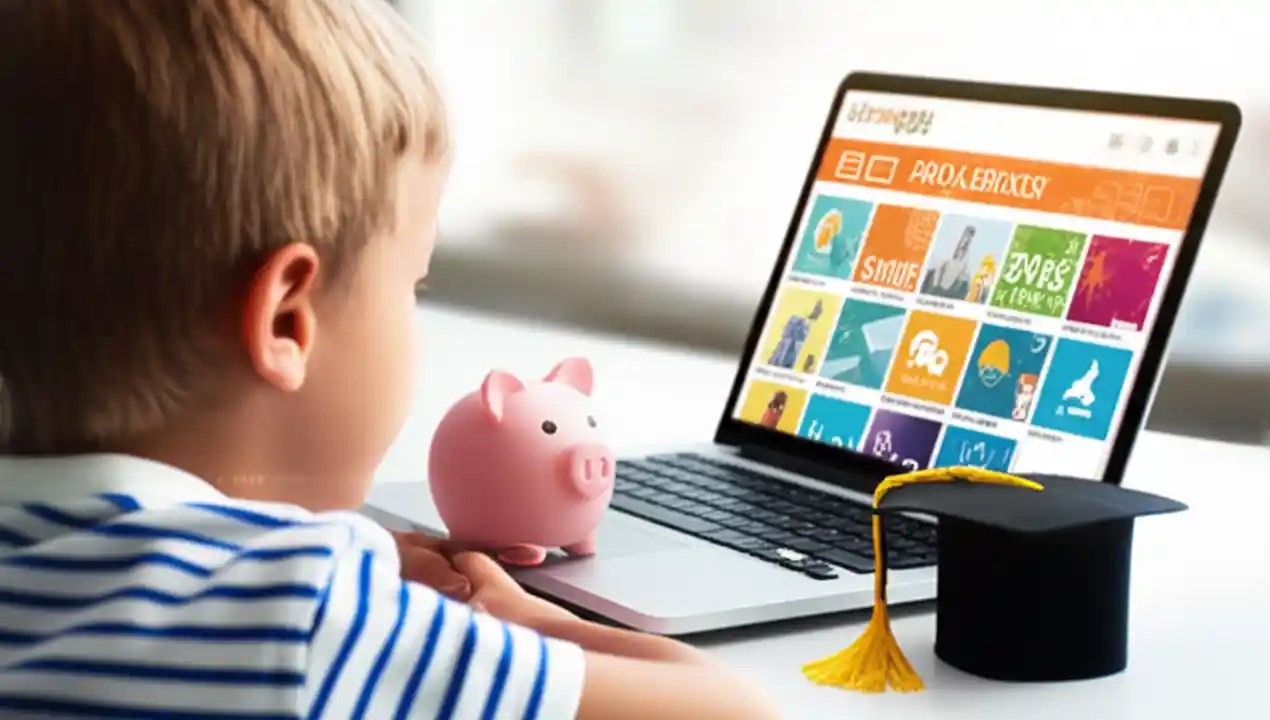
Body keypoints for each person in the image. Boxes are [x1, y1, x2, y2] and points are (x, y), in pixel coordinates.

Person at [0, 2, 780, 718]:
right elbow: (736, 712)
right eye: (415, 283)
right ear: (285, 320)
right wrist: (523, 620)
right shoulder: (307, 618)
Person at [922, 225, 976, 299]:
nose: (962, 245)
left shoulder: (964, 284)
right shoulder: (930, 274)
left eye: (965, 246)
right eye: (960, 242)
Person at [768, 300, 824, 369]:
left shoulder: (804, 327)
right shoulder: (797, 321)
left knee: (786, 354)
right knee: (783, 353)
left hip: (796, 337)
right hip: (792, 335)